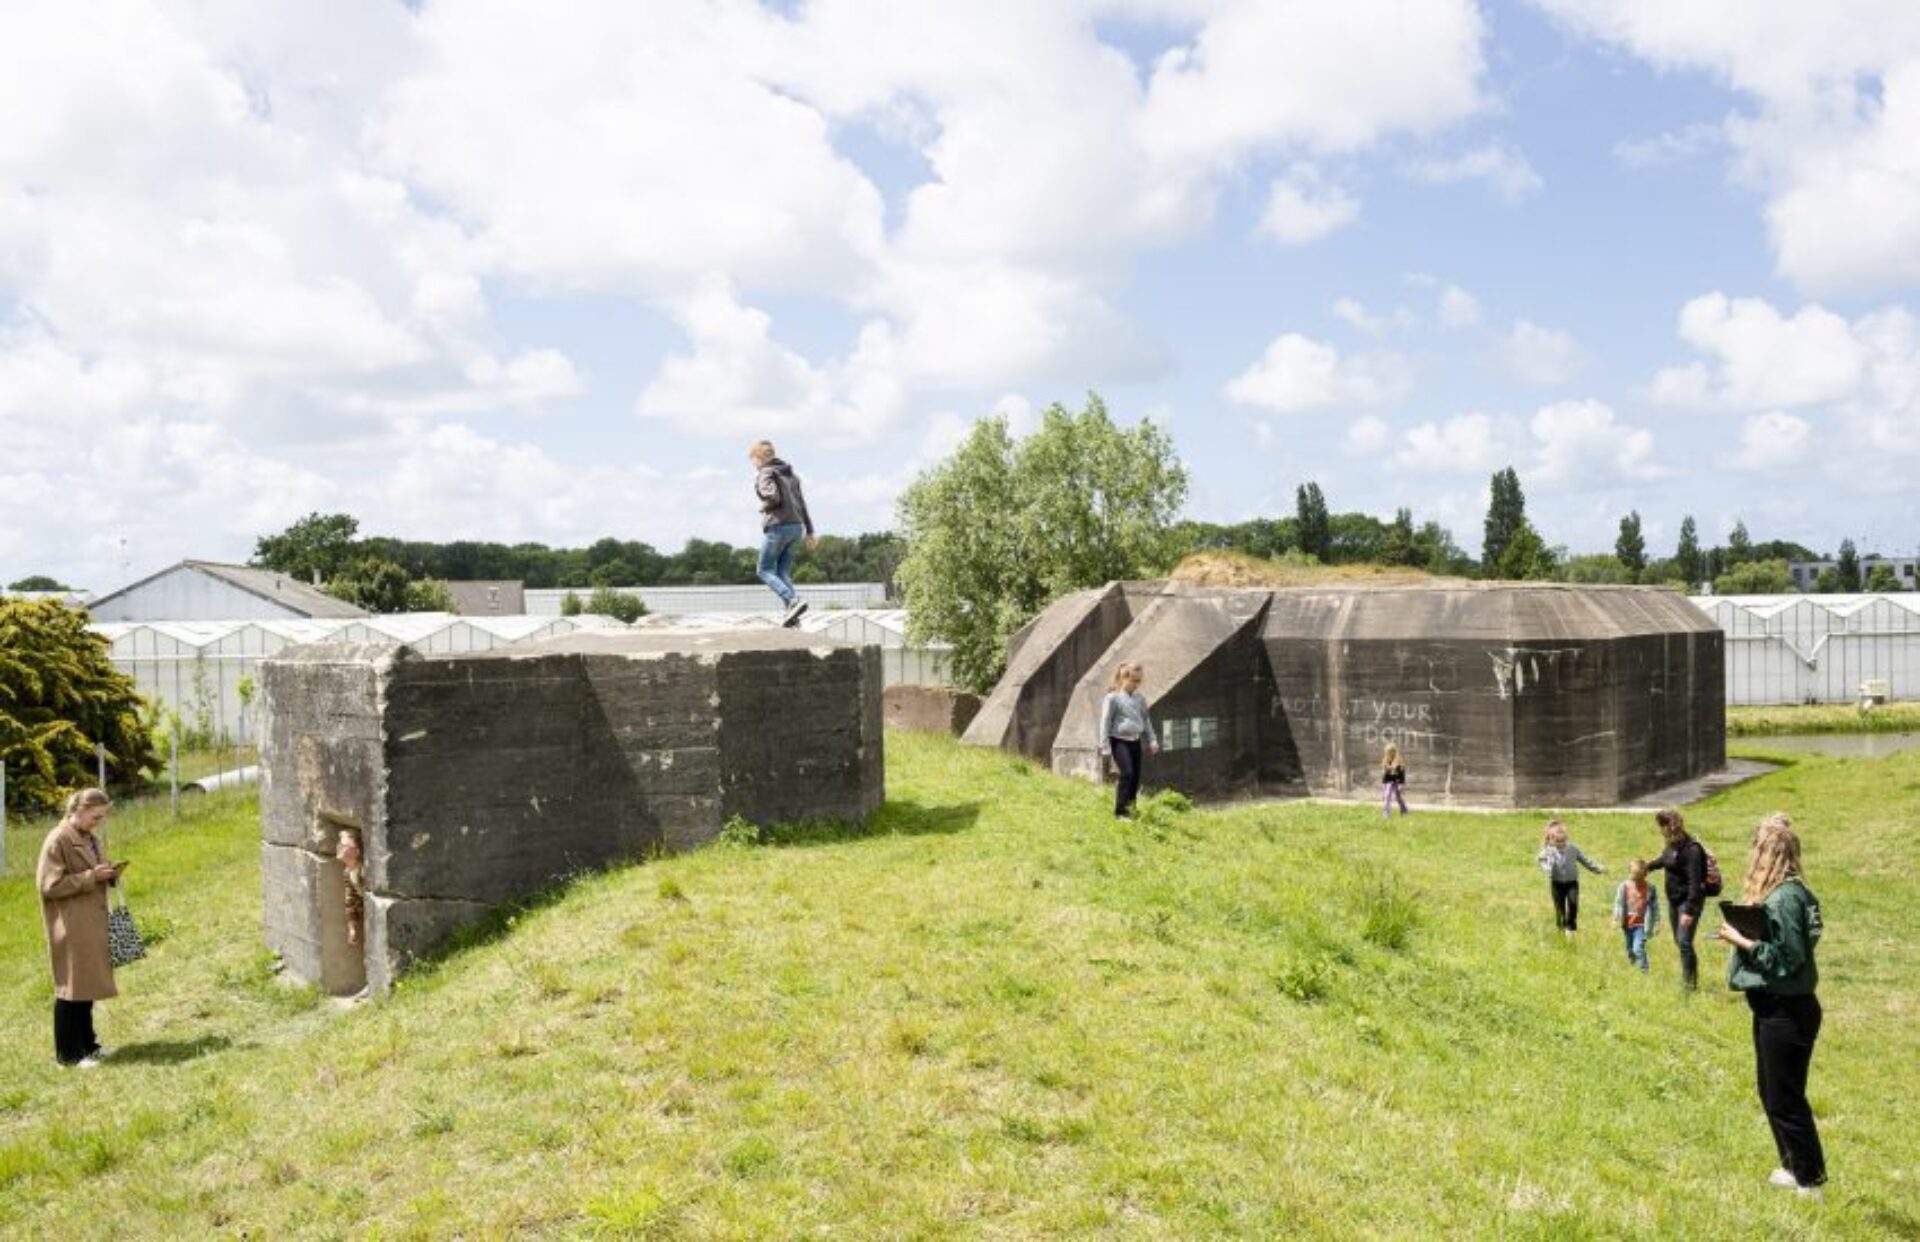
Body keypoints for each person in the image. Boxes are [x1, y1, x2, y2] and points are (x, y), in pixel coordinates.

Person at [1712, 825, 1826, 1197]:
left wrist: (1742, 940)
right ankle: (1793, 1166)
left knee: (1787, 1097)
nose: (1754, 859)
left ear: (1768, 854)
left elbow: (1789, 959)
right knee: (1771, 1092)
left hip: (1787, 1010)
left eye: (1758, 851)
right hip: (1773, 1006)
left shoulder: (1786, 898)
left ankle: (1811, 1181)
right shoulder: (1794, 894)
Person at [36, 788, 123, 1068]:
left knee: (86, 986)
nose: (98, 821)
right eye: (95, 816)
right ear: (78, 810)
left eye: (102, 817)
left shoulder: (89, 837)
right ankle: (68, 1056)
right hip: (71, 923)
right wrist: (90, 877)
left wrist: (108, 874)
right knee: (70, 990)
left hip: (90, 921)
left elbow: (92, 873)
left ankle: (89, 1046)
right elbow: (49, 886)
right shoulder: (58, 839)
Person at [749, 439, 817, 627]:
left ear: (759, 458)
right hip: (796, 527)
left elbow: (772, 496)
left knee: (763, 570)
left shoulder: (765, 472)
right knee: (781, 571)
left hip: (778, 526)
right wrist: (810, 532)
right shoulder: (791, 475)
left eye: (753, 460)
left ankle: (793, 601)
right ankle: (792, 615)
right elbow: (802, 504)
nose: (753, 465)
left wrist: (765, 505)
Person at [1647, 807, 1710, 990]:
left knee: (1684, 941)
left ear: (1674, 826)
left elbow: (1695, 884)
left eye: (1665, 826)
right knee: (1679, 940)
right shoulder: (1672, 845)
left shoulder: (1692, 850)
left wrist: (1689, 911)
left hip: (1688, 901)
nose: (1664, 830)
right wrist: (1649, 866)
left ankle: (1689, 986)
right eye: (1662, 826)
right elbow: (1666, 859)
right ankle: (1688, 978)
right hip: (1674, 900)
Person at [1100, 662, 1159, 818]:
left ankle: (1131, 809)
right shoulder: (1112, 698)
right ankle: (1120, 812)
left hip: (1135, 741)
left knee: (1135, 776)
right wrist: (1105, 746)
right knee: (1127, 773)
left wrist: (1152, 740)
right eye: (1134, 680)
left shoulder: (1140, 699)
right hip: (1119, 741)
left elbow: (1146, 720)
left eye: (1139, 681)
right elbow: (1105, 722)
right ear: (1124, 678)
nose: (1137, 684)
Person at [1536, 820, 1604, 936]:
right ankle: (1561, 929)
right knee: (1560, 908)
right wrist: (1547, 868)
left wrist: (1597, 869)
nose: (1561, 844)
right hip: (1557, 884)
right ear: (1551, 840)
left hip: (1572, 883)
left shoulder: (1573, 849)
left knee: (1573, 904)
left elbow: (1584, 860)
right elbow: (1540, 859)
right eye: (1558, 841)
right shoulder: (1549, 851)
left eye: (1563, 841)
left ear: (1566, 838)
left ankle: (1571, 928)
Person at [1611, 858, 1663, 972]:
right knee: (1630, 948)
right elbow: (1618, 903)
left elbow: (1654, 906)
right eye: (1634, 875)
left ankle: (1644, 970)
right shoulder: (1624, 886)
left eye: (1639, 877)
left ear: (1645, 874)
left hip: (1642, 925)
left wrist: (1657, 922)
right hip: (1627, 923)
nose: (1636, 879)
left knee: (1638, 948)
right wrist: (1616, 919)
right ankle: (1633, 965)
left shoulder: (1650, 888)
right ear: (1629, 872)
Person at [1380, 743, 1408, 818]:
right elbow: (1385, 775)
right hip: (1389, 782)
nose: (1387, 755)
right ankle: (1386, 813)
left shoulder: (1399, 763)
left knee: (1398, 797)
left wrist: (1401, 784)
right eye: (1386, 754)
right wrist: (1383, 784)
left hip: (1397, 782)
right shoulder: (1385, 762)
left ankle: (1404, 810)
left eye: (1389, 753)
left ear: (1393, 753)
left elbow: (1402, 775)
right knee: (1387, 796)